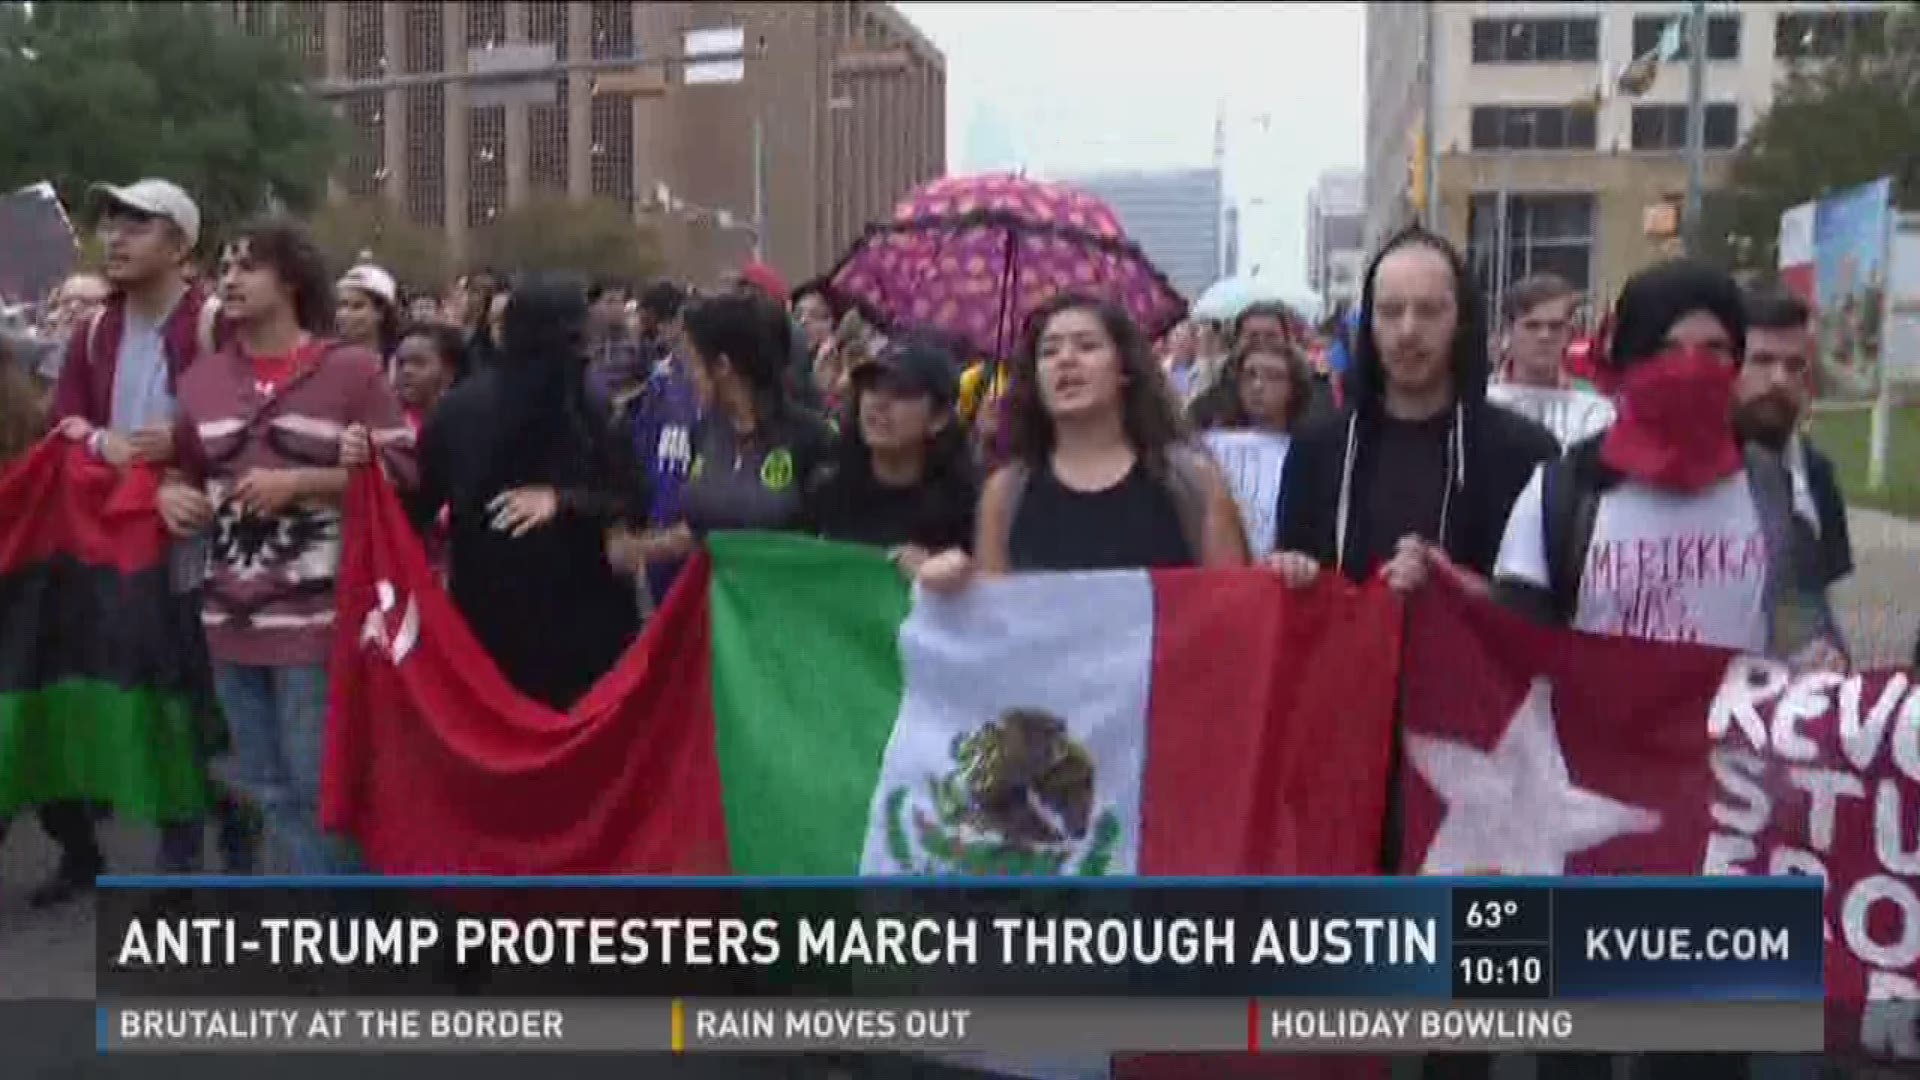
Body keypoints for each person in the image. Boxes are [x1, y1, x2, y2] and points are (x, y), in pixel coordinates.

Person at [158, 217, 415, 875]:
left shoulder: (351, 372)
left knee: (318, 788)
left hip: (319, 621)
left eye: (248, 266)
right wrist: (170, 496)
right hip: (225, 618)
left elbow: (403, 479)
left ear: (293, 280)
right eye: (225, 268)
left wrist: (304, 481)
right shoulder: (201, 382)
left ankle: (349, 940)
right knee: (269, 789)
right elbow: (185, 471)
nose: (230, 280)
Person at [40, 178, 244, 905]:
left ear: (181, 246)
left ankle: (238, 840)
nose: (116, 236)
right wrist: (115, 447)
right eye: (111, 222)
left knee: (213, 700)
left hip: (210, 546)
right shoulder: (95, 332)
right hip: (125, 547)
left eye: (138, 224)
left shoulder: (216, 324)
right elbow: (65, 427)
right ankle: (180, 854)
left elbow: (251, 432)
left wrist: (185, 455)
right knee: (159, 700)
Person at [1493, 259, 1848, 666]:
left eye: (1714, 350)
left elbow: (1803, 627)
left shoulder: (1776, 489)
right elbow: (1513, 655)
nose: (1691, 368)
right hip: (1597, 727)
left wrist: (1821, 657)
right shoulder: (1562, 494)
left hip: (1733, 727)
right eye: (1668, 349)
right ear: (1630, 358)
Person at [376, 274, 644, 711]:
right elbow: (417, 506)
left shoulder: (588, 409)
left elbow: (631, 497)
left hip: (577, 616)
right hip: (504, 617)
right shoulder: (469, 412)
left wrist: (562, 500)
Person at [1269, 227, 1559, 596]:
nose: (1407, 331)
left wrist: (1455, 588)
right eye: (1390, 312)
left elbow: (1541, 617)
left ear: (1460, 321)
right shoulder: (1318, 448)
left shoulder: (1524, 453)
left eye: (1429, 311)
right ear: (1368, 324)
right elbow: (1291, 577)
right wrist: (1292, 571)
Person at [960, 293, 1247, 575]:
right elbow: (991, 613)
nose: (1066, 360)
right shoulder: (1005, 494)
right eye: (1049, 351)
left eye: (1086, 346)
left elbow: (1231, 603)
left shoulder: (1193, 481)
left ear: (1125, 368)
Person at [608, 291, 834, 578]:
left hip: (785, 609)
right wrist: (643, 548)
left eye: (694, 362)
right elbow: (703, 530)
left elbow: (836, 544)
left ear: (723, 367)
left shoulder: (811, 437)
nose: (688, 374)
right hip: (722, 613)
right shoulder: (706, 431)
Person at [804, 335, 978, 564]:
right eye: (872, 387)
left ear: (939, 417)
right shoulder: (828, 486)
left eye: (901, 391)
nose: (879, 403)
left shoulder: (968, 506)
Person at [1737, 286, 1852, 591]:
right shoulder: (1685, 471)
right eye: (1762, 360)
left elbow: (1813, 605)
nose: (1780, 379)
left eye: (1794, 365)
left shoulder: (1815, 476)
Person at [1188, 340, 1313, 559]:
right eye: (1250, 375)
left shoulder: (1308, 451)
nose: (1258, 385)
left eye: (1273, 376)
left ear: (1294, 388)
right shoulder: (1208, 445)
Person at [1487, 273, 1615, 449]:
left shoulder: (1594, 407)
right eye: (1532, 325)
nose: (1544, 336)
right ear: (1509, 330)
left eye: (1555, 326)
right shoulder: (1482, 401)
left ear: (1569, 332)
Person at [391, 321, 467, 434]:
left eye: (418, 362)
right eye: (401, 363)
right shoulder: (386, 421)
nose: (406, 370)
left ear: (448, 373)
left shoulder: (465, 424)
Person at [584, 277, 645, 416]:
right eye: (610, 301)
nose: (617, 308)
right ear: (593, 306)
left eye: (621, 302)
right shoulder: (582, 341)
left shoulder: (637, 343)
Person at [334, 263, 400, 369]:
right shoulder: (328, 359)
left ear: (381, 312)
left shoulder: (398, 364)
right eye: (343, 304)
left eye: (357, 306)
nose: (344, 314)